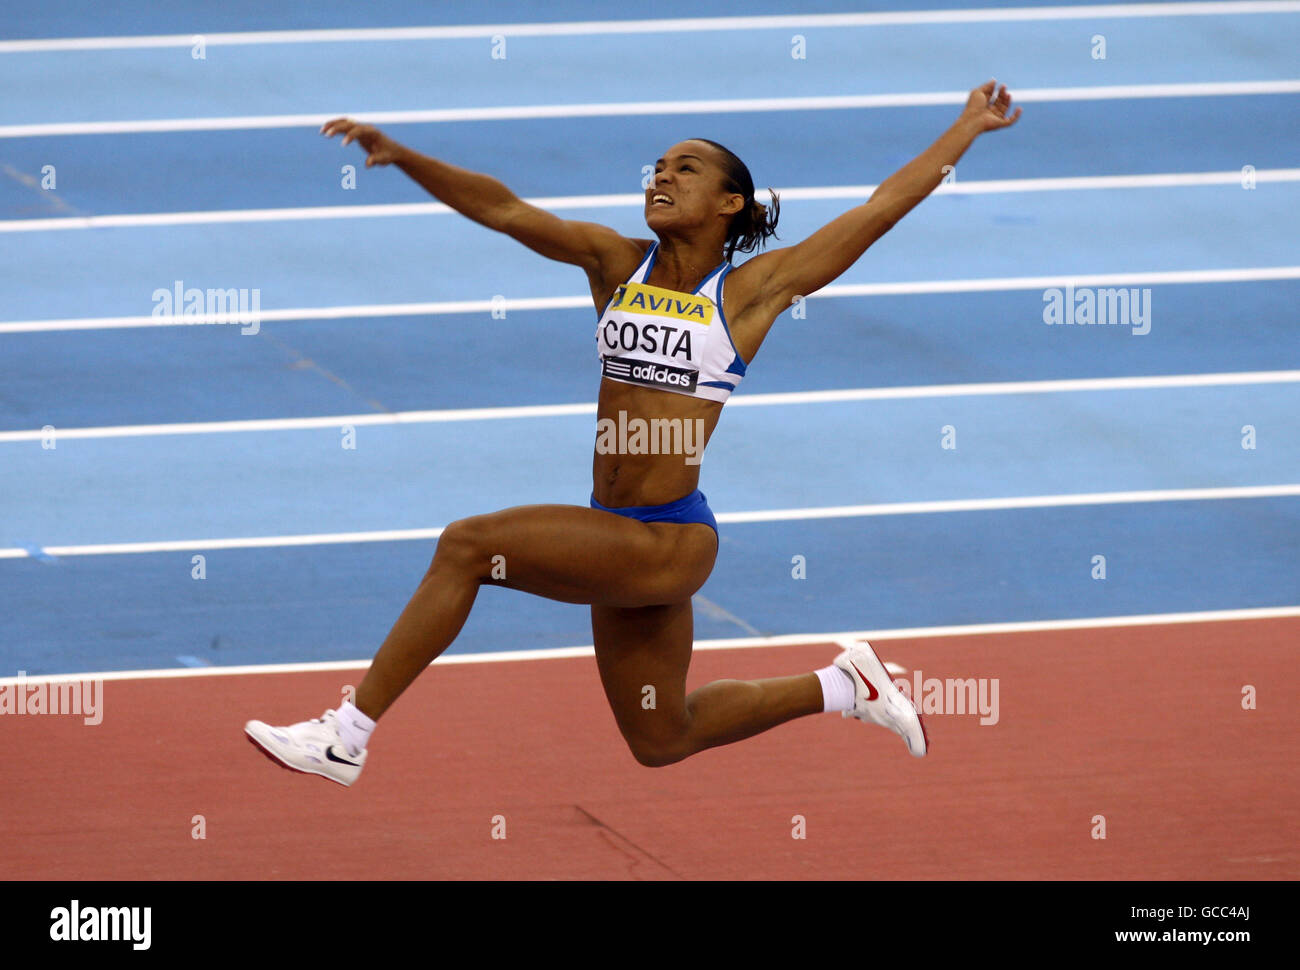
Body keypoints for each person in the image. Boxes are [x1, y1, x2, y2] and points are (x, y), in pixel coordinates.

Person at [246, 80, 1021, 786]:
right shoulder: (617, 267)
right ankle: (845, 685)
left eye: (685, 169)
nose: (661, 176)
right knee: (661, 735)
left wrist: (965, 128)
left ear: (729, 204)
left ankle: (347, 735)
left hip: (668, 540)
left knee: (468, 545)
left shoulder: (753, 290)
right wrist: (405, 156)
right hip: (618, 531)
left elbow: (878, 208)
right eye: (656, 165)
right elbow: (507, 211)